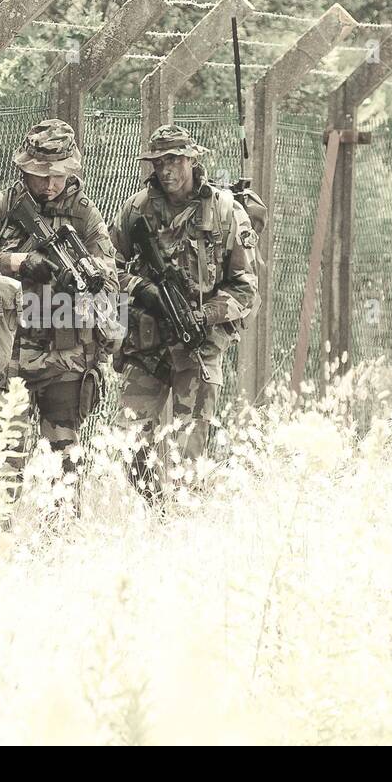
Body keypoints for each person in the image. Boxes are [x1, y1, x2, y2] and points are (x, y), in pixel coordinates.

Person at [0, 119, 118, 480]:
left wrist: (82, 278)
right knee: (1, 461)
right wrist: (18, 262)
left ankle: (58, 536)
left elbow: (110, 279)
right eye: (41, 174)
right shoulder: (3, 205)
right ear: (24, 168)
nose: (50, 184)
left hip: (64, 356)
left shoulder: (85, 215)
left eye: (59, 176)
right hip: (9, 351)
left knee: (63, 467)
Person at [110, 124, 259, 500]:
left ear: (193, 159)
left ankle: (184, 517)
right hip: (147, 343)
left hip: (198, 346)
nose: (166, 170)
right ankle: (154, 507)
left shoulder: (226, 211)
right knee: (128, 437)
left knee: (189, 450)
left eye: (174, 160)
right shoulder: (136, 209)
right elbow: (106, 268)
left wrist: (204, 315)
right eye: (159, 162)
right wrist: (140, 288)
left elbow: (247, 289)